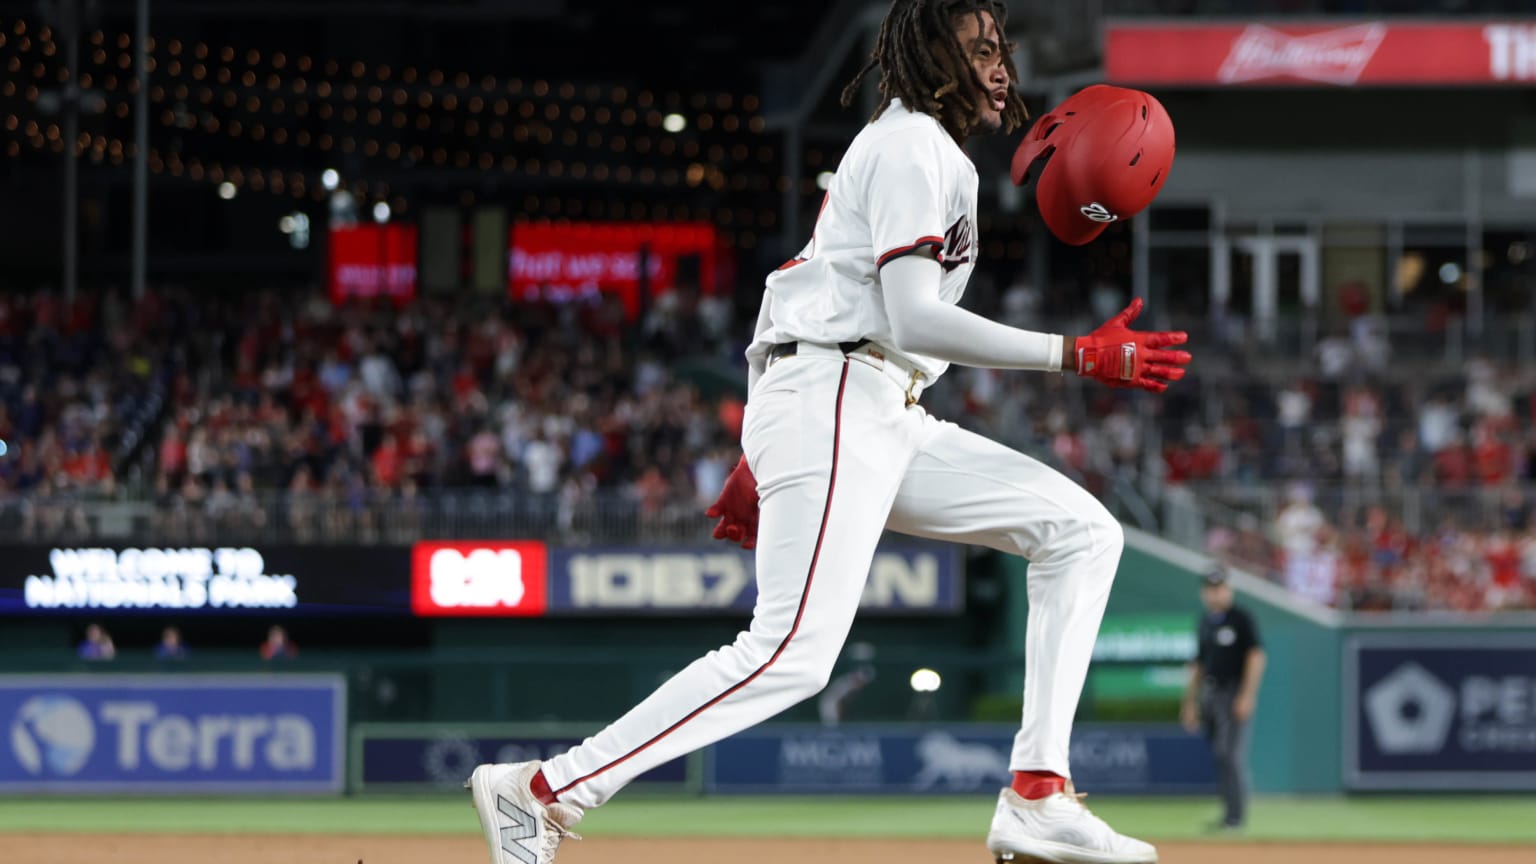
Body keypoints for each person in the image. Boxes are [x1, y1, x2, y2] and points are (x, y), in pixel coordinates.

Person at [467, 3, 1187, 864]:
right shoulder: (914, 143)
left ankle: (1038, 794)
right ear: (929, 60)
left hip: (867, 403)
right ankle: (541, 792)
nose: (1000, 67)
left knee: (1080, 531)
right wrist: (1076, 355)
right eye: (978, 48)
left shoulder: (920, 150)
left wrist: (758, 442)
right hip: (843, 390)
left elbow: (798, 285)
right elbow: (914, 317)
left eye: (1002, 48)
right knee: (792, 653)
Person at [1180, 567, 1266, 832]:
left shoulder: (1240, 618)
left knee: (1231, 755)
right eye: (1210, 588)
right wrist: (1190, 702)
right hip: (1211, 693)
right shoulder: (1206, 621)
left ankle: (1236, 817)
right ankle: (1229, 814)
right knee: (1220, 754)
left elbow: (1256, 656)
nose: (1214, 593)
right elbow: (1198, 665)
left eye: (1219, 588)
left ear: (1229, 589)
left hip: (1233, 691)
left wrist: (1247, 695)